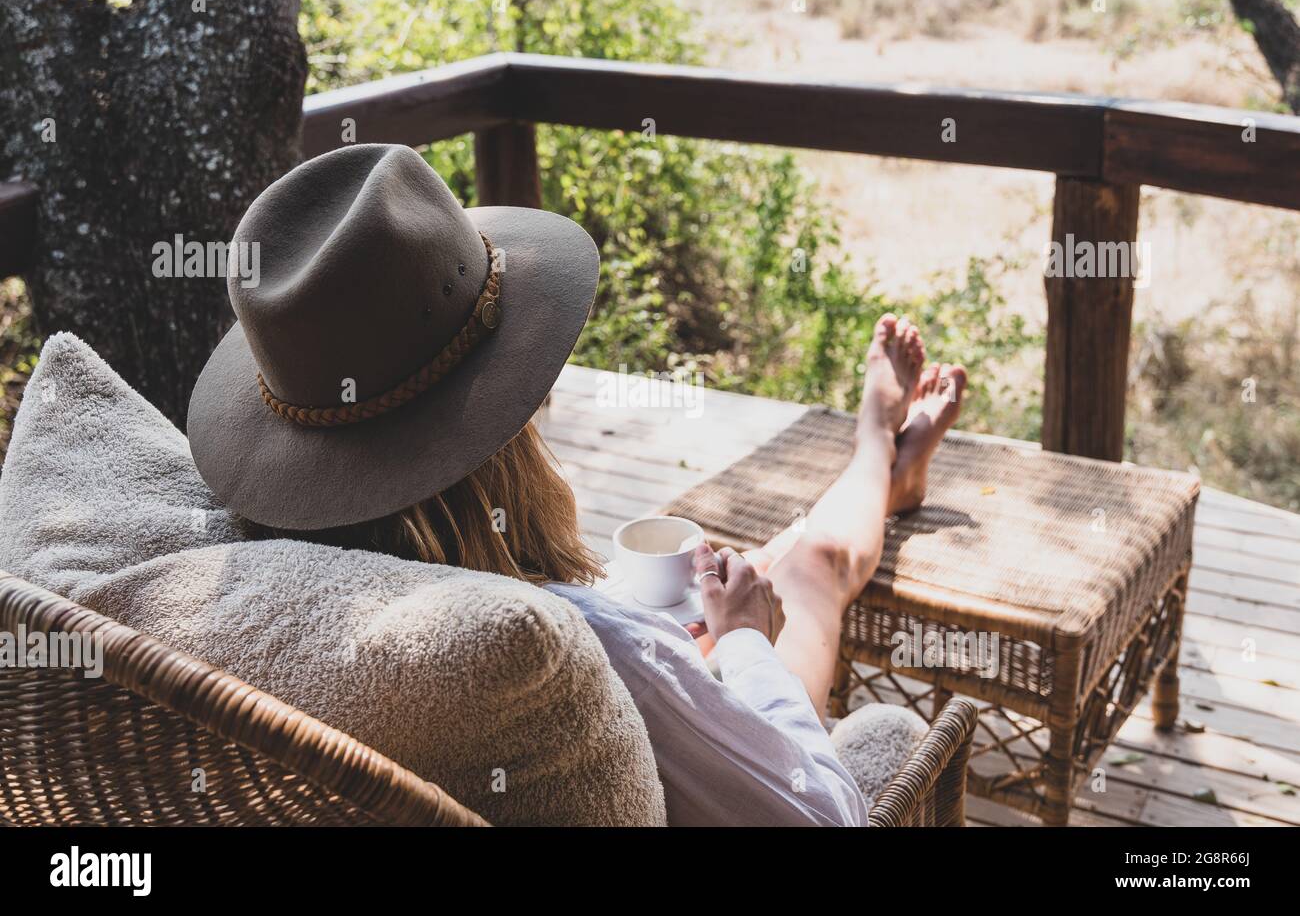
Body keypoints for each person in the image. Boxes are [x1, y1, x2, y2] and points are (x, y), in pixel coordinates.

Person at [186, 143, 966, 826]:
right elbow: (829, 815)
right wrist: (745, 647)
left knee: (764, 561)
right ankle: (876, 449)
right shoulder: (568, 655)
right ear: (501, 432)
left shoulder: (256, 609)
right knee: (810, 569)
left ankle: (879, 474)